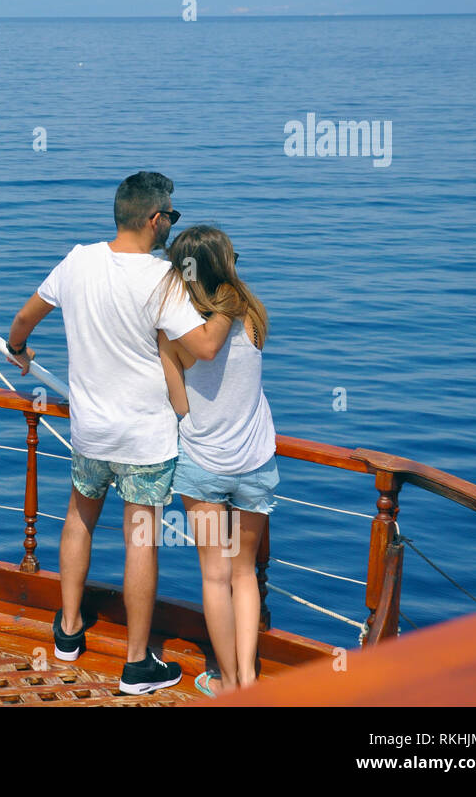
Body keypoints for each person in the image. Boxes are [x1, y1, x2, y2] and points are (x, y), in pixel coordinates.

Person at [5, 171, 234, 694]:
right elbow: (203, 348)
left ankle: (66, 633)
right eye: (171, 217)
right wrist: (231, 302)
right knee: (140, 540)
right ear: (155, 219)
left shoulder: (77, 260)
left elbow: (23, 319)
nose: (171, 226)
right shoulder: (162, 280)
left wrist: (19, 351)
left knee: (78, 520)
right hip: (145, 440)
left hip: (91, 431)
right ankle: (136, 664)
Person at [156, 225, 277, 697]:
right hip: (255, 462)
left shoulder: (173, 332)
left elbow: (180, 404)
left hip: (203, 465)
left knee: (215, 575)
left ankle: (226, 682)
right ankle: (248, 676)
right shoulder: (253, 316)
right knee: (245, 573)